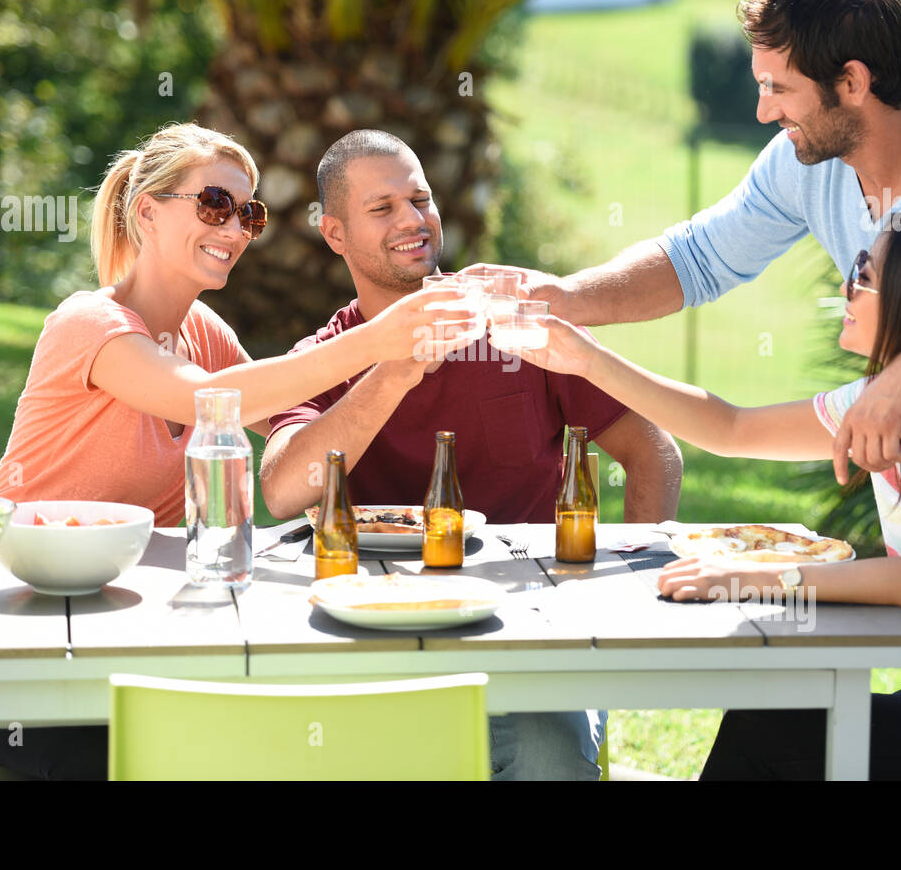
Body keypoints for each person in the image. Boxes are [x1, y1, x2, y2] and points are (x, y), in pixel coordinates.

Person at [469, 0, 901, 586]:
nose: (763, 111)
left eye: (778, 88)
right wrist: (565, 299)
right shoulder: (804, 159)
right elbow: (699, 259)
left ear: (853, 83)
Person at [0, 123, 469, 779]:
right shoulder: (88, 324)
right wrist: (378, 340)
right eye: (215, 204)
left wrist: (398, 372)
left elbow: (297, 434)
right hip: (13, 653)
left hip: (119, 643)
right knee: (182, 753)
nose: (234, 228)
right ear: (147, 210)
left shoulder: (203, 333)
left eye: (249, 213)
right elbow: (208, 398)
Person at [498, 207, 901, 780]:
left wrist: (743, 577)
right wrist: (585, 358)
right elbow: (731, 428)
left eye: (864, 274)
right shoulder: (883, 402)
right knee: (780, 721)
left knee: (773, 733)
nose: (846, 289)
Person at [259, 129, 683, 780]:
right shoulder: (325, 356)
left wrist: (614, 606)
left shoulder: (515, 323)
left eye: (420, 199)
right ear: (335, 233)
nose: (413, 220)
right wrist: (394, 371)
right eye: (383, 209)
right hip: (381, 638)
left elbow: (654, 452)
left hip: (533, 633)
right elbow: (286, 491)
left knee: (548, 757)